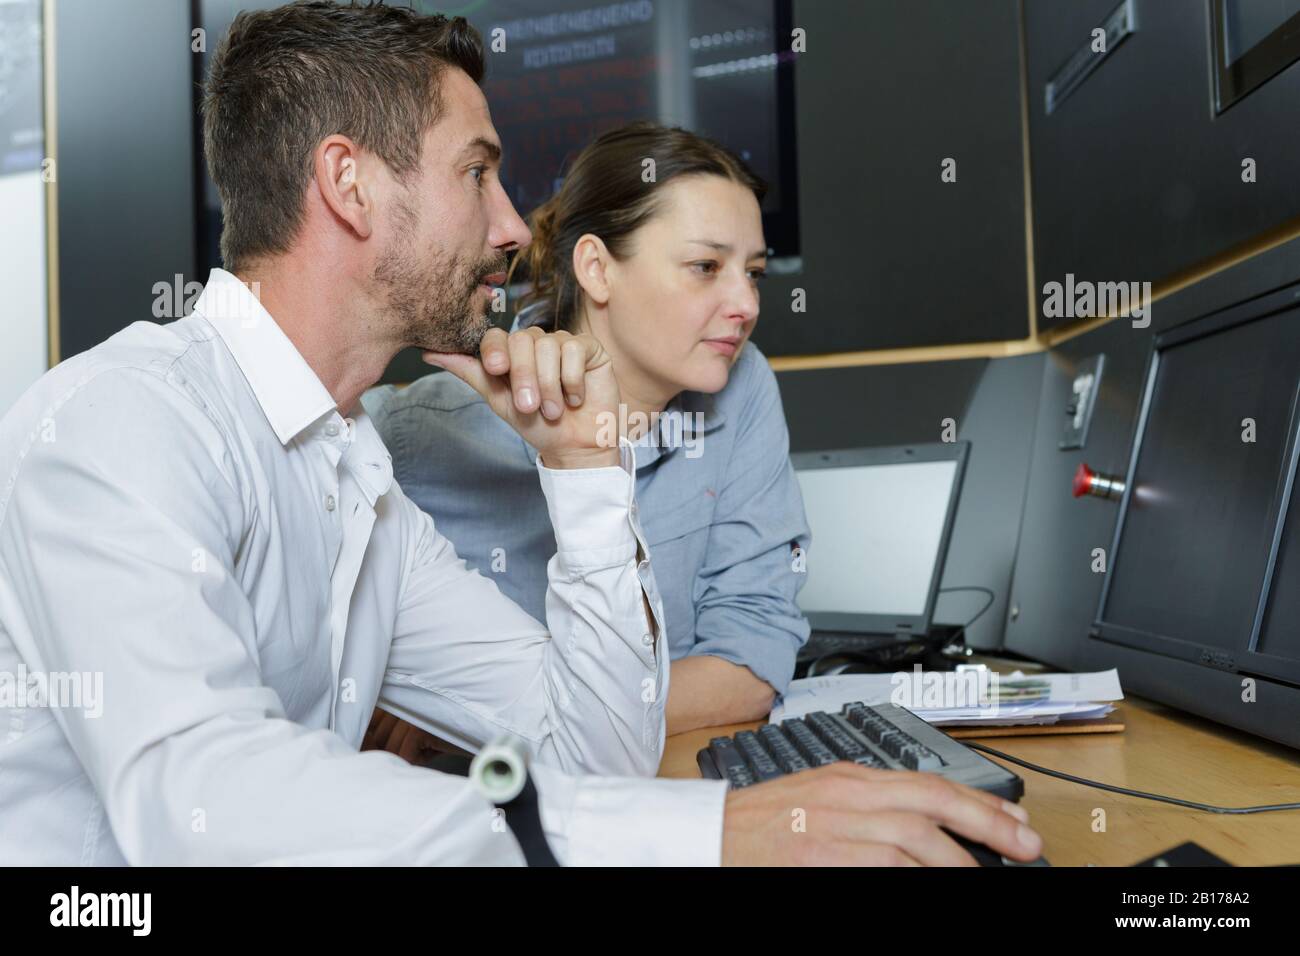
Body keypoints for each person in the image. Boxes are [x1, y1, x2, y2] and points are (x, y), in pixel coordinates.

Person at [0, 2, 1042, 867]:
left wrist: (585, 467)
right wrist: (714, 828)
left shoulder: (352, 472)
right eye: (476, 172)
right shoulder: (116, 422)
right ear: (348, 183)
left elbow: (592, 745)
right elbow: (205, 810)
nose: (511, 224)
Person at [364, 122, 810, 738]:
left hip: (660, 796)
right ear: (597, 269)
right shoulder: (416, 431)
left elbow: (754, 659)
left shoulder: (742, 385)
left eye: (754, 272)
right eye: (706, 266)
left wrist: (495, 721)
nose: (747, 304)